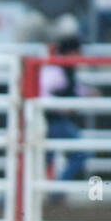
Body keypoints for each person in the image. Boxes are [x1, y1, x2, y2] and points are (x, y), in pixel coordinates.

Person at [38, 34, 95, 184]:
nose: (80, 56)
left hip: (51, 122)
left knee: (41, 160)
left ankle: (8, 200)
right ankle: (57, 191)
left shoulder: (63, 68)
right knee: (81, 152)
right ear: (71, 52)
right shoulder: (55, 69)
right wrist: (63, 107)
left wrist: (86, 93)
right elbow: (41, 93)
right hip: (50, 122)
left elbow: (70, 89)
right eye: (78, 52)